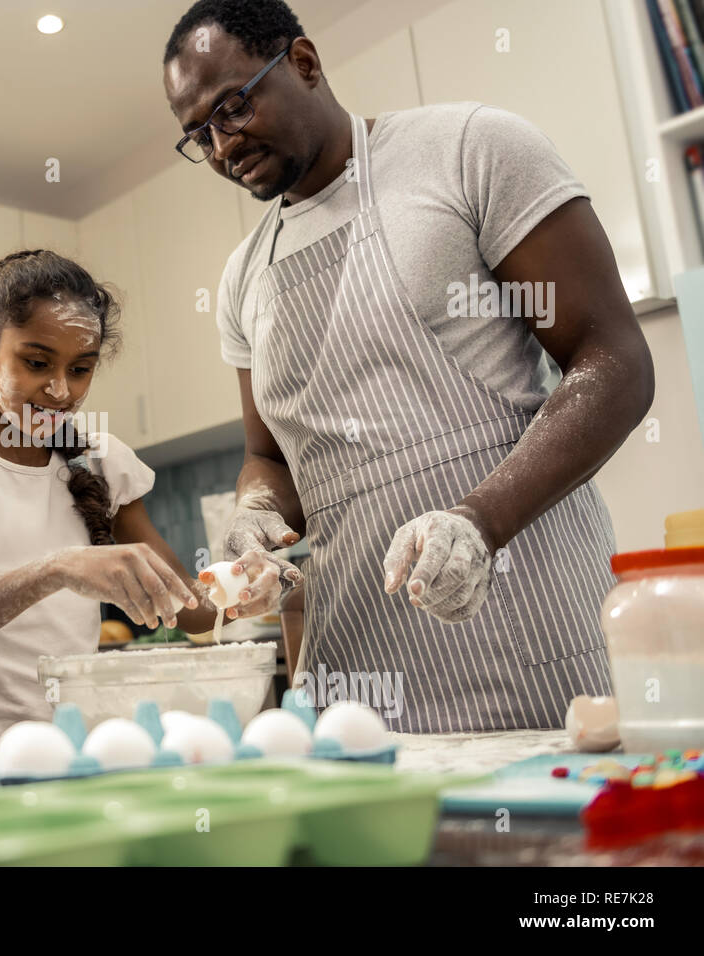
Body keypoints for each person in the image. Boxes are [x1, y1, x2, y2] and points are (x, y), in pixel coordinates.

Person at [161, 0, 654, 731]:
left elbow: (613, 362)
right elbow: (269, 457)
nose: (222, 147)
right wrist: (254, 511)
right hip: (356, 686)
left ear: (303, 63)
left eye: (232, 108)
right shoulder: (242, 278)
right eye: (198, 136)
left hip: (530, 638)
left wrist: (478, 523)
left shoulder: (469, 149)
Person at [0, 250, 264, 770]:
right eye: (36, 363)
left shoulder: (105, 465)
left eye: (80, 369)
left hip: (79, 754)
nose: (60, 390)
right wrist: (59, 568)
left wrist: (250, 581)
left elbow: (193, 609)